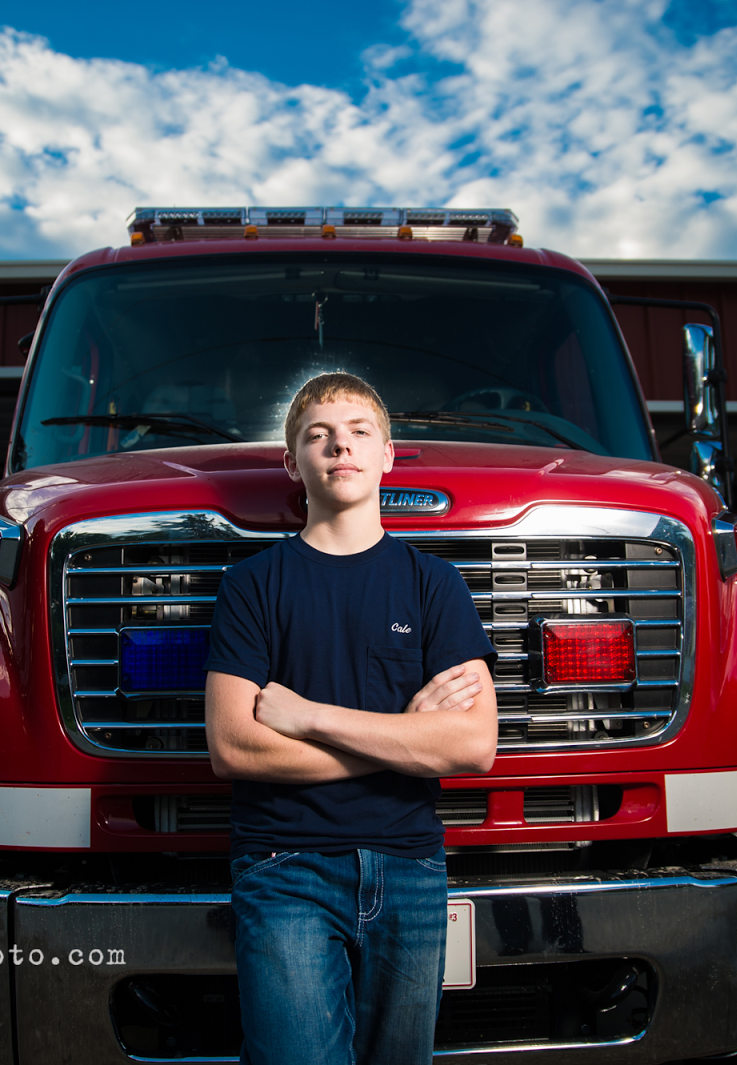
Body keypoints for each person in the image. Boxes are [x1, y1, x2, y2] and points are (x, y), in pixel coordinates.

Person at [203, 372, 498, 1065]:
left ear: (388, 455)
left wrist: (307, 715)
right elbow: (233, 748)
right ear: (292, 462)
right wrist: (404, 737)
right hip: (285, 866)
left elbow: (474, 743)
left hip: (411, 868)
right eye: (319, 435)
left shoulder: (434, 583)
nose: (341, 445)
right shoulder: (251, 586)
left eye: (360, 432)